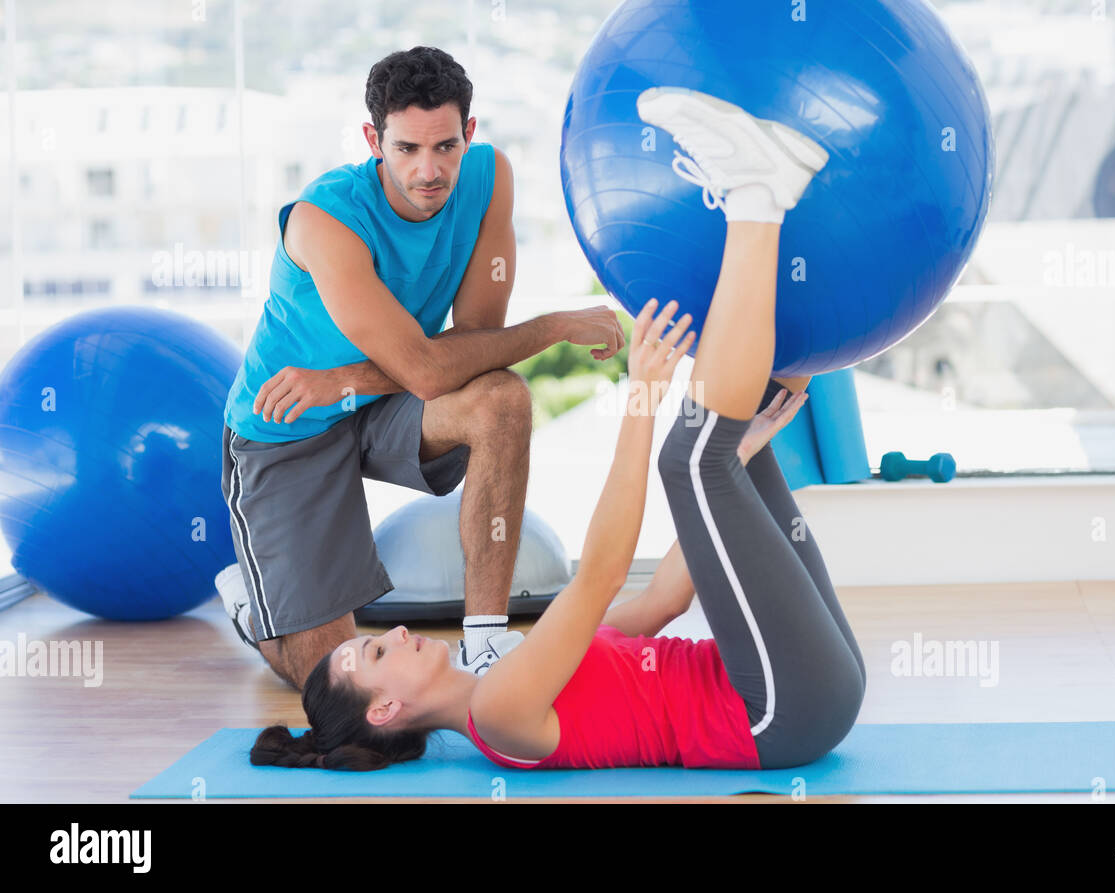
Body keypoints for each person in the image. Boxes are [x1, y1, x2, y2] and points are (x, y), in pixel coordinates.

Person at [251, 85, 866, 771]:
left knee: (727, 447)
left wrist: (741, 470)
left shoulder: (513, 664)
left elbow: (661, 599)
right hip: (778, 711)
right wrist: (642, 398)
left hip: (806, 684)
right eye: (374, 652)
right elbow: (600, 573)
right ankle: (757, 196)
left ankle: (777, 198)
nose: (391, 629)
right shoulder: (499, 715)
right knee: (689, 461)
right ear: (385, 710)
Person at [215, 46, 625, 690]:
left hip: (379, 405)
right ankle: (256, 601)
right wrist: (555, 327)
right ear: (373, 139)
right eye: (406, 149)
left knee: (501, 398)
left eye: (445, 147)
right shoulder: (326, 219)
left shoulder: (490, 179)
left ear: (469, 133)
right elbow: (433, 371)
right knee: (337, 682)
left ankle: (487, 643)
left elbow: (477, 342)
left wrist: (349, 380)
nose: (428, 171)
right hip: (285, 426)